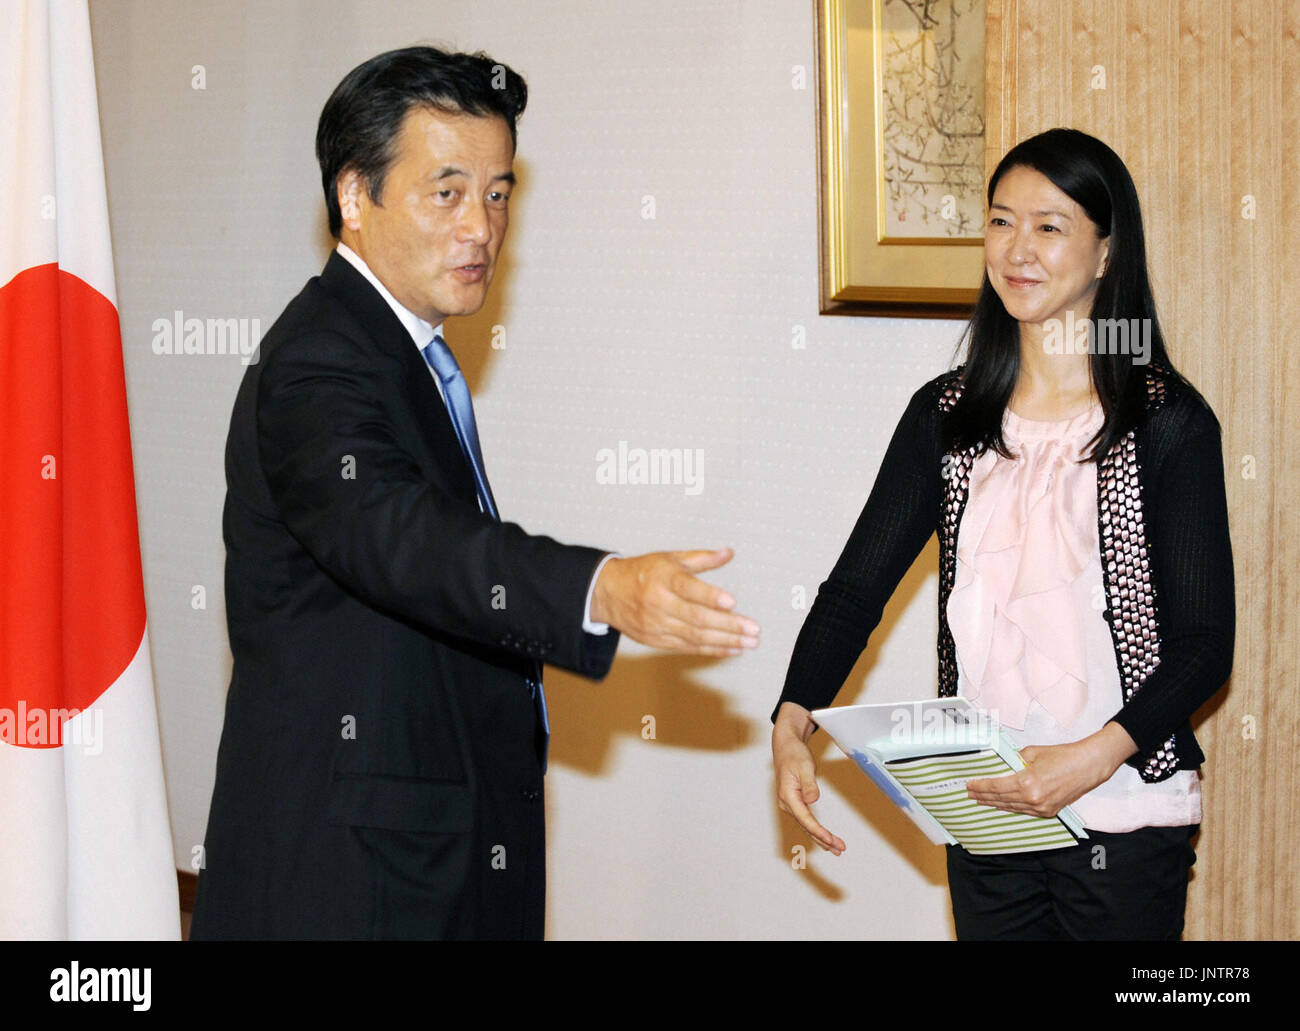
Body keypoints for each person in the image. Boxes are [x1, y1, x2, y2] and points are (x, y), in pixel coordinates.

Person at [190, 45, 759, 941]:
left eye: (498, 194)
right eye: (446, 192)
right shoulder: (317, 359)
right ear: (354, 196)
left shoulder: (404, 351)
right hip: (350, 880)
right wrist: (597, 588)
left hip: (440, 854)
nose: (482, 229)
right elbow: (402, 535)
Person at [771, 128, 1233, 940]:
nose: (1018, 249)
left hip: (1124, 817)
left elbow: (1204, 642)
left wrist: (1093, 756)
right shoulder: (945, 417)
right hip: (986, 815)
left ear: (1104, 254)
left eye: (1050, 226)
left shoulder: (1165, 420)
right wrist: (791, 719)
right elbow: (854, 593)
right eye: (1000, 221)